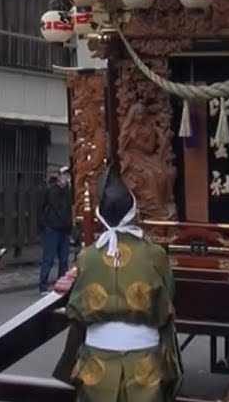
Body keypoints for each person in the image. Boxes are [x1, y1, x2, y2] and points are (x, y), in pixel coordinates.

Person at [53, 162, 183, 402]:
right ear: (134, 211)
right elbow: (168, 300)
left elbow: (78, 310)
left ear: (100, 215)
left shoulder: (87, 257)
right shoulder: (154, 254)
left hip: (97, 359)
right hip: (144, 359)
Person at [39, 165, 74, 293]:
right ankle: (43, 285)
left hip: (64, 229)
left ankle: (61, 284)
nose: (66, 178)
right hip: (52, 228)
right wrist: (44, 223)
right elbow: (43, 207)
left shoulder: (69, 193)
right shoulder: (52, 191)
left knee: (64, 259)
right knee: (48, 258)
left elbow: (70, 210)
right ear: (59, 177)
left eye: (68, 175)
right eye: (64, 175)